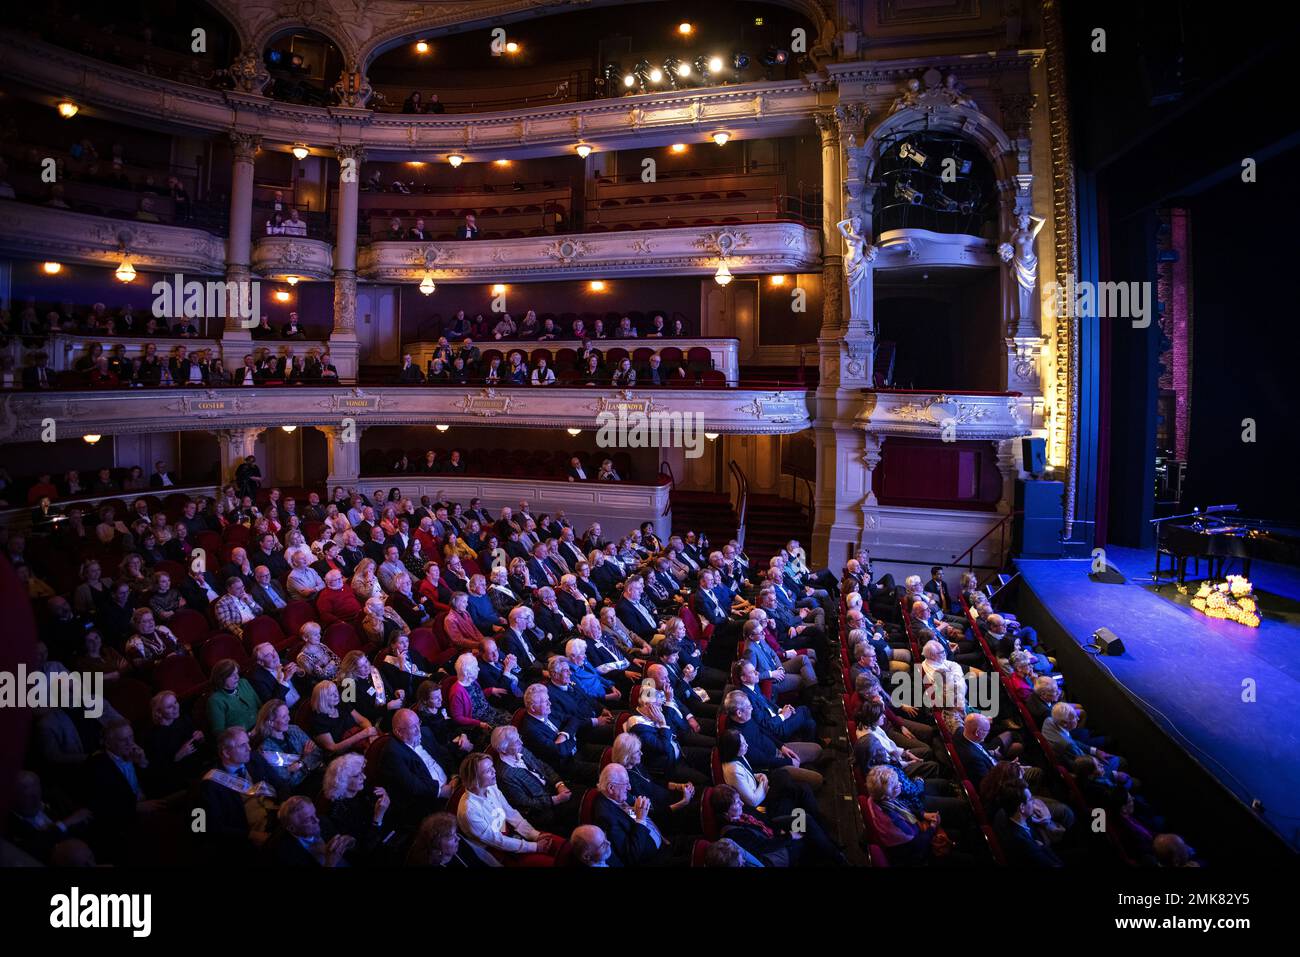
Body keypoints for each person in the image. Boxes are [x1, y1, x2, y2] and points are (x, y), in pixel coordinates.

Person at [456, 751, 564, 863]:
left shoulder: (491, 786)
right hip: (494, 850)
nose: (494, 771)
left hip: (509, 833)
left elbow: (510, 813)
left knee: (560, 847)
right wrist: (535, 846)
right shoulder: (469, 812)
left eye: (492, 767)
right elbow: (497, 841)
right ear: (475, 780)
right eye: (488, 770)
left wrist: (534, 834)